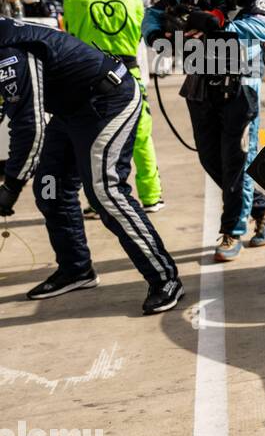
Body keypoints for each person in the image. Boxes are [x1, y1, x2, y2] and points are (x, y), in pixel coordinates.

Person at [0, 18, 183, 313]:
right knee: (50, 188)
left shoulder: (8, 49)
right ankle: (76, 269)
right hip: (71, 109)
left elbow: (29, 126)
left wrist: (11, 185)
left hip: (109, 99)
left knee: (105, 193)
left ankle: (164, 278)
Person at [142, 0, 265, 263]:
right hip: (200, 80)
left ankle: (232, 230)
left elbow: (264, 26)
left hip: (241, 81)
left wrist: (220, 25)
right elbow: (153, 13)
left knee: (236, 158)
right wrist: (155, 35)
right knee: (210, 157)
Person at [63, 0, 165, 214]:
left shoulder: (73, 3)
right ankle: (152, 196)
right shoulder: (133, 1)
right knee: (141, 135)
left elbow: (71, 37)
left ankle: (100, 201)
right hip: (129, 76)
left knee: (96, 140)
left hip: (90, 78)